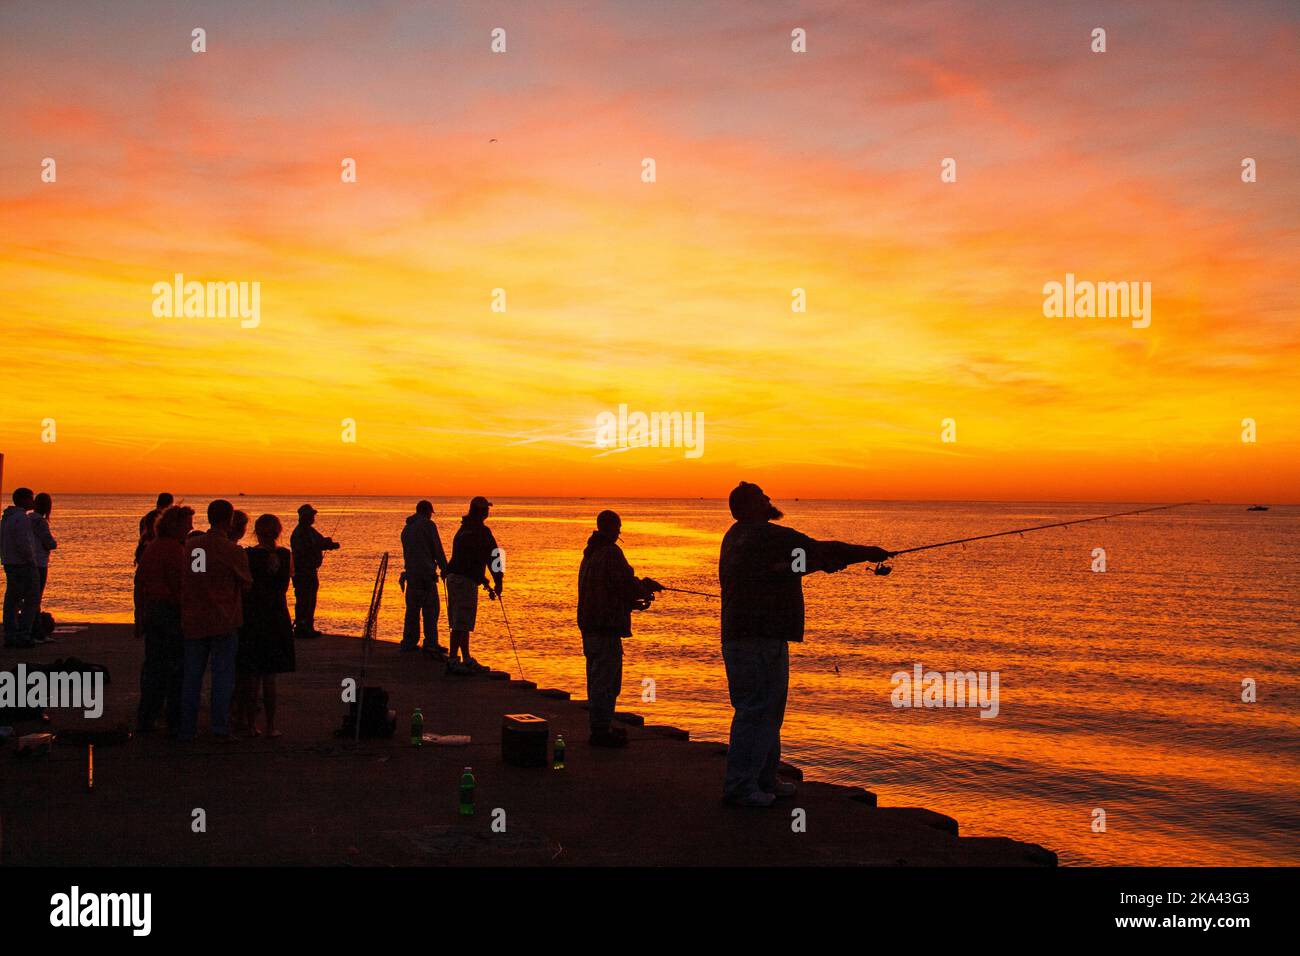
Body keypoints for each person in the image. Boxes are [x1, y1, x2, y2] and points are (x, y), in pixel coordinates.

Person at [718, 481, 891, 807]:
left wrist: (819, 565)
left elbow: (779, 570)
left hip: (743, 635)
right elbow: (819, 549)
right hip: (760, 637)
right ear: (749, 507)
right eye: (762, 497)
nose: (769, 499)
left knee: (766, 711)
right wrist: (868, 553)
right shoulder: (765, 535)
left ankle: (763, 779)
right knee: (757, 711)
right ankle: (740, 787)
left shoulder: (736, 537)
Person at [576, 510, 662, 747]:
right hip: (605, 629)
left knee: (595, 680)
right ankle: (601, 732)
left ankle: (600, 726)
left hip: (589, 627)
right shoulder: (611, 553)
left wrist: (632, 600)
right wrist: (644, 589)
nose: (620, 532)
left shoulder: (589, 554)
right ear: (611, 528)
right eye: (618, 527)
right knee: (607, 682)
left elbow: (608, 589)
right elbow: (625, 583)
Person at [178, 499, 252, 742]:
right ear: (229, 520)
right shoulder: (233, 551)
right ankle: (219, 726)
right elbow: (246, 584)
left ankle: (187, 728)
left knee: (192, 676)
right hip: (223, 619)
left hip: (195, 618)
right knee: (222, 677)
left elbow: (193, 577)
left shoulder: (192, 546)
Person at [234, 514, 295, 738]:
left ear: (256, 532)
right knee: (270, 676)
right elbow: (286, 582)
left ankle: (250, 724)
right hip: (277, 616)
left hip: (253, 616)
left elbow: (244, 585)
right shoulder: (286, 555)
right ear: (279, 532)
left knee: (251, 674)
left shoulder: (248, 555)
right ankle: (270, 726)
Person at [136, 505, 194, 734]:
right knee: (175, 669)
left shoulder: (152, 547)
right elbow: (180, 585)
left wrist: (139, 615)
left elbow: (140, 582)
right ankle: (174, 720)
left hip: (154, 611)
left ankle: (148, 717)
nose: (190, 528)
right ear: (175, 526)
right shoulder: (174, 550)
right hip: (169, 612)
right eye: (187, 524)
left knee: (154, 667)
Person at [443, 496, 503, 675]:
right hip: (464, 581)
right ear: (481, 512)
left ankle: (466, 658)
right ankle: (453, 660)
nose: (488, 512)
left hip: (454, 578)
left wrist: (482, 578)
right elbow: (495, 556)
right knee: (461, 622)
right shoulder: (482, 532)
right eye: (486, 509)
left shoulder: (463, 530)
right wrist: (498, 581)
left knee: (461, 620)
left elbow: (466, 558)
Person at [399, 500, 450, 655]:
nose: (430, 516)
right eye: (430, 513)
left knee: (412, 611)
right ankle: (430, 643)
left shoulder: (407, 529)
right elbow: (437, 548)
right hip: (426, 575)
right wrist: (445, 568)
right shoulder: (428, 525)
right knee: (431, 610)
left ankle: (409, 642)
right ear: (426, 511)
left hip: (411, 575)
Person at [290, 504, 339, 639]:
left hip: (310, 571)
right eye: (311, 515)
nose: (313, 518)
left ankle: (308, 626)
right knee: (303, 600)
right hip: (302, 572)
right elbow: (306, 549)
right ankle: (301, 628)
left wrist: (329, 544)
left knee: (311, 599)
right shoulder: (299, 533)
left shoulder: (310, 531)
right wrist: (323, 545)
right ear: (303, 517)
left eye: (313, 515)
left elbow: (320, 542)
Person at [1, 487, 40, 648]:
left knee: (12, 600)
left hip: (10, 563)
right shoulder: (21, 518)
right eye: (31, 498)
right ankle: (24, 634)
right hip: (23, 564)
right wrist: (31, 559)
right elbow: (24, 542)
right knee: (31, 599)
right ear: (23, 500)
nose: (33, 501)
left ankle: (10, 634)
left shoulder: (7, 518)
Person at [28, 492, 57, 643]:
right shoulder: (40, 522)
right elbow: (49, 542)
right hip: (40, 563)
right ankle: (36, 631)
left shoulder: (27, 519)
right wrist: (53, 544)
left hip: (29, 561)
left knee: (30, 597)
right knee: (36, 597)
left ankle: (31, 629)